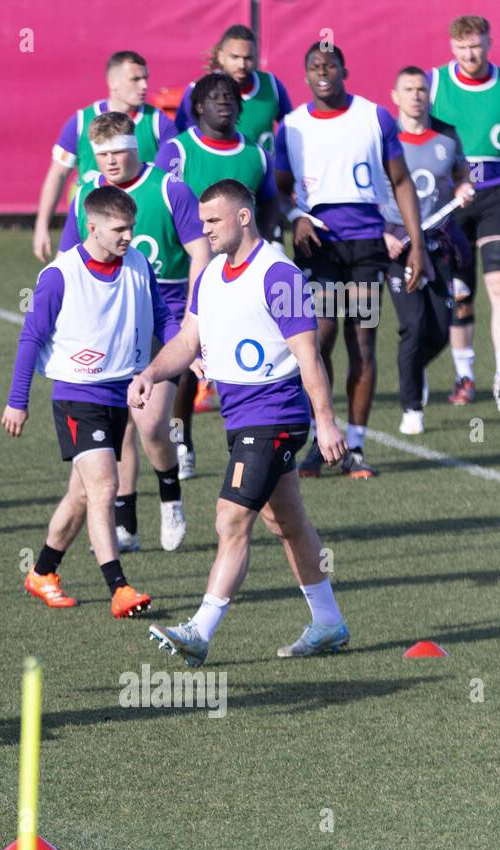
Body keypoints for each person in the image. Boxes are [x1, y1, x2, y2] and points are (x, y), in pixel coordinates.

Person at [128, 180, 350, 665]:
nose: (203, 229)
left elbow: (308, 355)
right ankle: (329, 621)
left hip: (275, 418)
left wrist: (327, 422)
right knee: (286, 520)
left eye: (214, 221)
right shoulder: (208, 277)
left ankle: (199, 630)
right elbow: (188, 340)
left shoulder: (279, 275)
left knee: (231, 518)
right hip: (241, 419)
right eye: (202, 221)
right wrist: (150, 372)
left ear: (244, 218)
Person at [4, 185, 177, 616]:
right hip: (77, 395)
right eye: (119, 229)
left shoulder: (137, 264)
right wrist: (17, 400)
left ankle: (43, 572)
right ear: (92, 227)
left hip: (121, 396)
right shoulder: (60, 276)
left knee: (81, 495)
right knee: (105, 485)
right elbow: (31, 339)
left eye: (131, 228)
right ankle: (118, 587)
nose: (128, 237)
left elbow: (163, 315)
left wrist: (187, 352)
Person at [274, 43, 425, 480]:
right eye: (315, 67)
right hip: (317, 247)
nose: (323, 72)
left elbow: (400, 180)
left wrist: (415, 245)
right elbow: (279, 190)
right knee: (316, 343)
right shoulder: (294, 126)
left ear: (345, 69)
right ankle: (317, 443)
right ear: (305, 76)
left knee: (361, 344)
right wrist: (296, 217)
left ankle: (354, 447)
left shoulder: (374, 117)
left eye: (331, 65)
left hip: (364, 246)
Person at [60, 112, 209, 551]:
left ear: (135, 147)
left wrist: (191, 324)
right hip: (111, 323)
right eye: (101, 154)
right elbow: (69, 262)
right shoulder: (86, 193)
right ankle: (126, 526)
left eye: (118, 152)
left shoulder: (169, 188)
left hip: (164, 317)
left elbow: (200, 254)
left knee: (149, 424)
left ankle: (170, 495)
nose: (109, 161)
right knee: (117, 424)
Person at [157, 71, 281, 477]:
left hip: (242, 270)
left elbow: (269, 204)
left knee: (235, 352)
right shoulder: (178, 150)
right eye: (213, 97)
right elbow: (163, 204)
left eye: (229, 96)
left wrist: (270, 243)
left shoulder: (256, 155)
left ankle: (251, 440)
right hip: (190, 268)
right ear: (197, 106)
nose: (223, 102)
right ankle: (181, 441)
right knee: (191, 353)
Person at [429, 14, 500, 412]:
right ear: (453, 47)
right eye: (463, 46)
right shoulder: (435, 84)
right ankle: (464, 375)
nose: (471, 53)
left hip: (498, 194)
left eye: (477, 45)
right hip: (453, 200)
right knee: (460, 291)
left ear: (489, 42)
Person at [382, 67, 477, 435]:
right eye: (408, 89)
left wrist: (464, 189)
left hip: (438, 245)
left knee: (438, 330)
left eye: (422, 89)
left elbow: (462, 176)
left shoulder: (446, 136)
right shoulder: (385, 139)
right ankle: (411, 406)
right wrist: (382, 233)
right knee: (413, 326)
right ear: (395, 95)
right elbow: (371, 189)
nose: (416, 95)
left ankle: (411, 370)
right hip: (398, 246)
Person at [32, 50, 174, 263]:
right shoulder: (81, 122)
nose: (144, 85)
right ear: (113, 82)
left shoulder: (158, 123)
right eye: (135, 79)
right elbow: (58, 174)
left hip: (138, 226)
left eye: (146, 78)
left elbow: (173, 182)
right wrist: (42, 226)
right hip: (92, 226)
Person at [172, 24, 294, 155]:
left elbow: (291, 132)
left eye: (248, 58)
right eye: (235, 57)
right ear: (221, 57)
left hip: (261, 173)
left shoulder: (272, 85)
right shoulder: (198, 90)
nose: (242, 65)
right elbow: (180, 142)